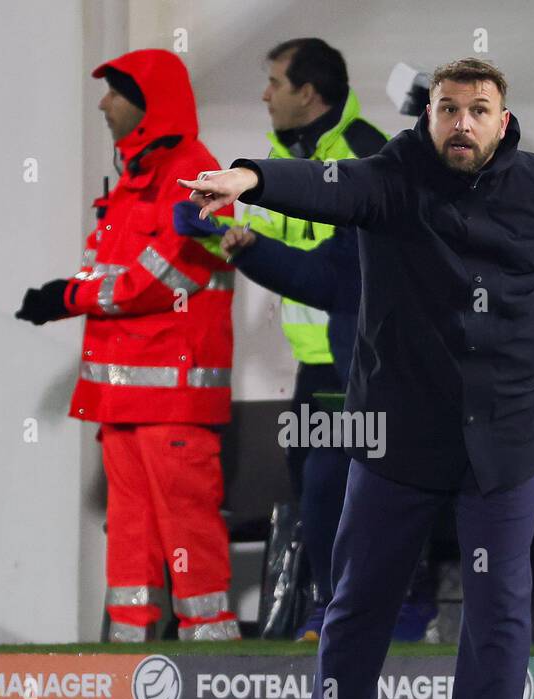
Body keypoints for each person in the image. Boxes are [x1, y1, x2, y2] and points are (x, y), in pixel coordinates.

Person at [180, 58, 534, 699]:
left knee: (497, 606)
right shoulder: (395, 173)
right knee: (358, 600)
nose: (461, 123)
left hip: (506, 434)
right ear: (429, 117)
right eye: (448, 109)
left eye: (477, 109)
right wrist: (249, 178)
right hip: (399, 433)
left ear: (503, 118)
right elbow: (330, 188)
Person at [14, 49, 240, 642]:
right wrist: (70, 294)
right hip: (125, 397)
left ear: (146, 102)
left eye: (114, 91)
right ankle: (126, 653)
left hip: (173, 395)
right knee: (133, 528)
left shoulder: (195, 172)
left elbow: (166, 277)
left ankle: (214, 657)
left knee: (186, 524)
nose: (102, 103)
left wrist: (66, 297)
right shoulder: (138, 177)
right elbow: (120, 275)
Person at [210, 38, 390, 643]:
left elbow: (345, 274)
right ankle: (336, 610)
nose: (265, 95)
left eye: (274, 83)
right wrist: (239, 243)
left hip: (366, 364)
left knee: (336, 482)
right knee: (313, 480)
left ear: (307, 93)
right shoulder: (275, 161)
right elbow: (296, 261)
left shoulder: (364, 155)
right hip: (316, 365)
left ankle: (347, 614)